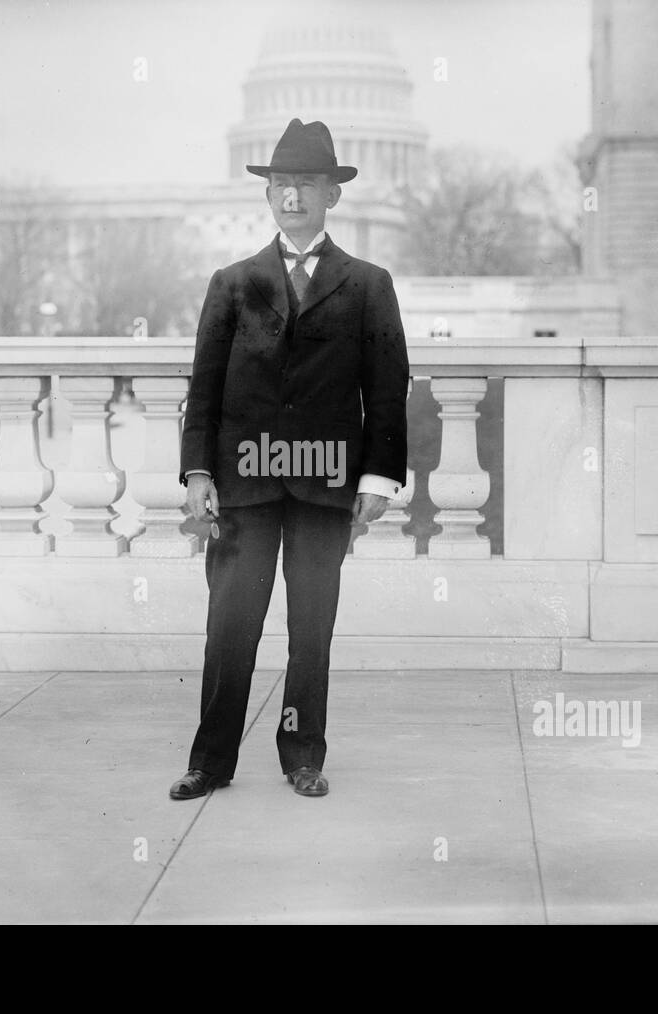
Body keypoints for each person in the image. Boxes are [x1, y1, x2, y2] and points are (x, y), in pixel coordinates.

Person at [170, 118, 410, 800]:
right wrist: (198, 472)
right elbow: (204, 386)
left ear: (333, 194)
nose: (293, 198)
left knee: (311, 629)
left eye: (306, 185)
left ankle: (303, 755)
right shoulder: (232, 282)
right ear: (268, 194)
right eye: (281, 185)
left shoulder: (367, 284)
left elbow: (386, 386)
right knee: (230, 625)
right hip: (243, 482)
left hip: (326, 482)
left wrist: (377, 477)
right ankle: (211, 760)